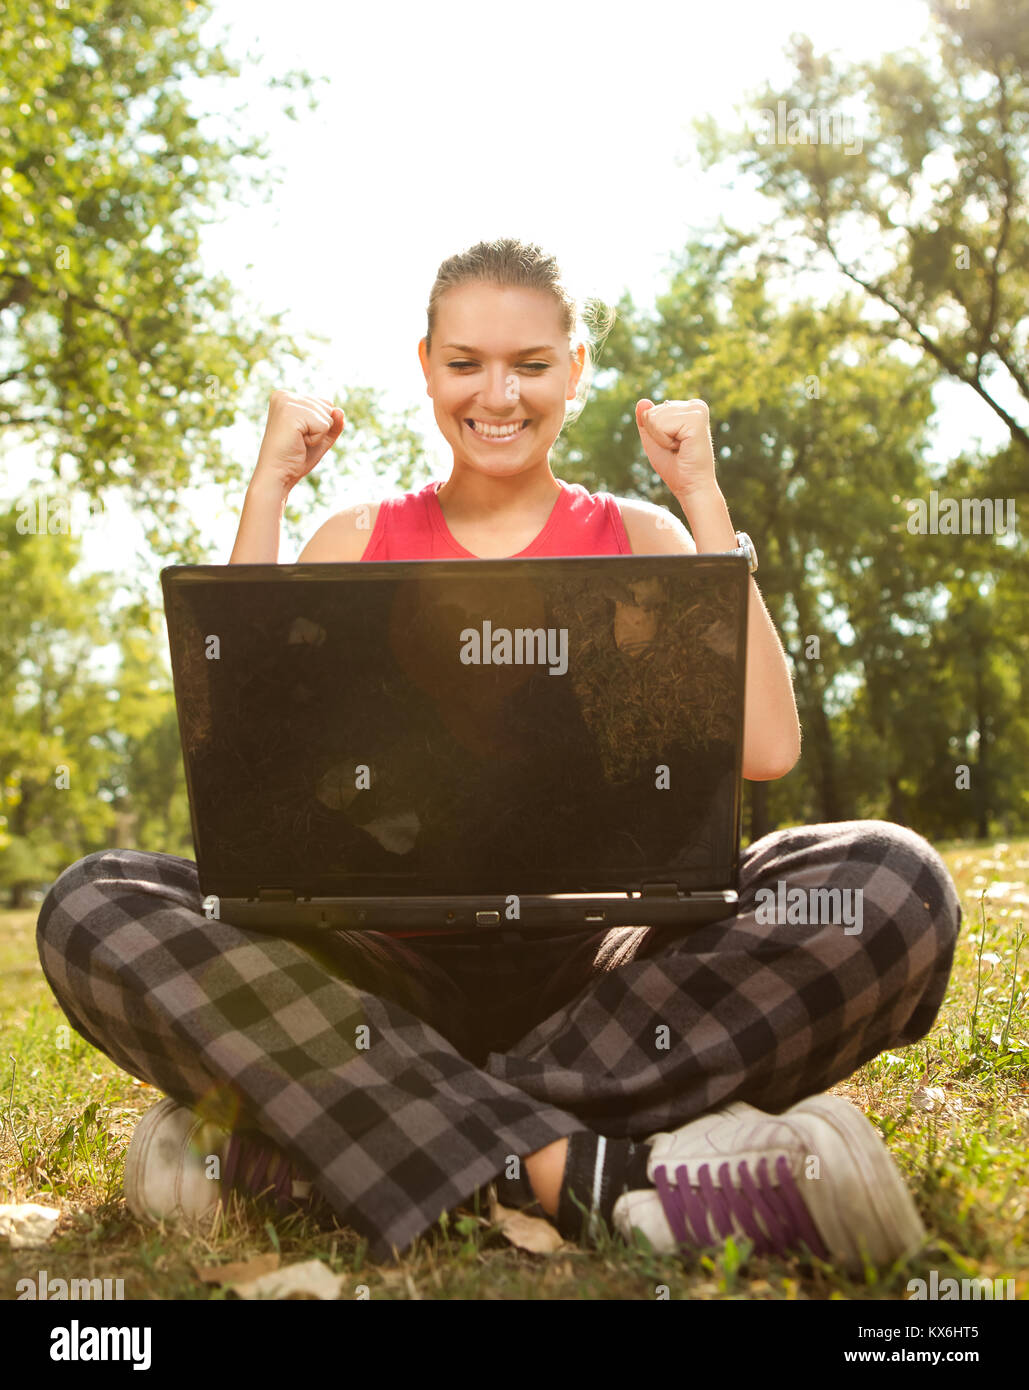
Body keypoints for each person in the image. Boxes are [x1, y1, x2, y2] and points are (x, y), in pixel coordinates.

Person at [36, 238, 961, 1272]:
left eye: (530, 364)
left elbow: (769, 745)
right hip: (382, 977)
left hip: (604, 978)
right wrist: (269, 492)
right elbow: (252, 769)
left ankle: (309, 1151)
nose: (498, 394)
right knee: (95, 902)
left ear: (577, 368)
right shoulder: (358, 536)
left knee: (894, 883)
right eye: (467, 362)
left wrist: (706, 500)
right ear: (425, 365)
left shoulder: (643, 536)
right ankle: (598, 1172)